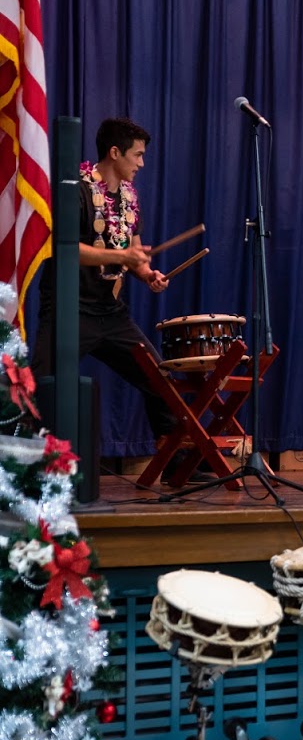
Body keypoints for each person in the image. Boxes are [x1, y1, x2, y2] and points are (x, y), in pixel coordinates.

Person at [30, 118, 208, 485]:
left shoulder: (128, 197)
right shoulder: (75, 191)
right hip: (69, 310)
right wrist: (122, 258)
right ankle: (28, 470)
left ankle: (177, 462)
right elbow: (63, 249)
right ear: (115, 152)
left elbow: (133, 252)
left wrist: (146, 274)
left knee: (161, 383)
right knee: (38, 387)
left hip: (111, 314)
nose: (142, 163)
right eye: (137, 155)